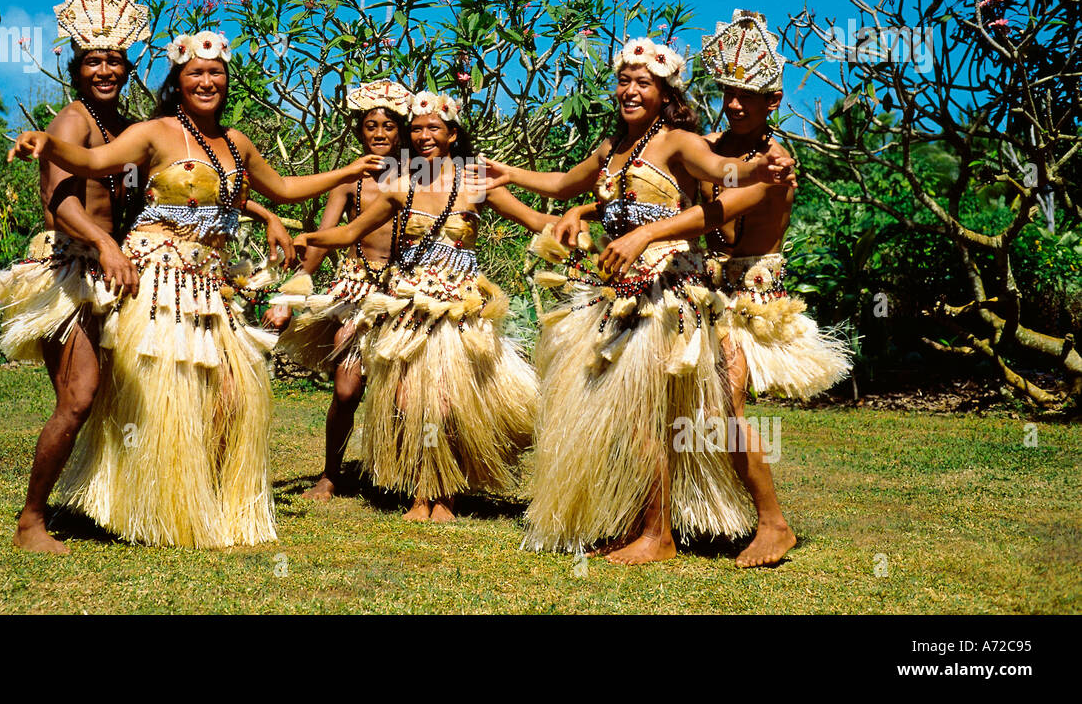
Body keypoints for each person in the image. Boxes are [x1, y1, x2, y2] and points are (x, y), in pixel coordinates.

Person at [7, 30, 382, 547]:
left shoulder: (234, 142)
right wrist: (46, 142)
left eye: (216, 73)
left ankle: (197, 504)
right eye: (195, 74)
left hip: (206, 285)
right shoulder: (153, 131)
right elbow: (92, 164)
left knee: (230, 396)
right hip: (155, 279)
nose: (207, 81)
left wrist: (344, 172)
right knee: (121, 400)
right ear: (177, 83)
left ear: (227, 81)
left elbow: (285, 187)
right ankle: (39, 518)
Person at [0, 0, 294, 554]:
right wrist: (104, 246)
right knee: (79, 397)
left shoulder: (130, 127)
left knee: (155, 390)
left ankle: (141, 501)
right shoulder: (72, 122)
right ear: (77, 67)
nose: (104, 71)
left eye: (114, 60)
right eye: (92, 62)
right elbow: (59, 202)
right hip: (76, 269)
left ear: (130, 66)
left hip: (128, 269)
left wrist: (263, 212)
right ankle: (32, 519)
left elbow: (196, 188)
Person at [475, 37, 794, 563]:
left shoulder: (680, 141)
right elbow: (563, 184)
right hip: (623, 292)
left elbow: (722, 176)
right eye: (624, 80)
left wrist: (760, 172)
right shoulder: (611, 149)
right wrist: (511, 177)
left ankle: (707, 529)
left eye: (643, 83)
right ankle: (649, 526)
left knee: (710, 413)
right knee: (633, 413)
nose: (629, 90)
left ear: (665, 92)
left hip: (673, 292)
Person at [583, 9, 849, 567]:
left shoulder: (773, 163)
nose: (734, 103)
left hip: (748, 298)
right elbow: (658, 191)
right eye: (729, 92)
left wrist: (654, 233)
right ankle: (653, 524)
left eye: (748, 96)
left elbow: (714, 210)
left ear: (772, 103)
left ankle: (773, 524)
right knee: (661, 407)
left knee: (724, 410)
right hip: (698, 285)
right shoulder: (708, 145)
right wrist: (588, 207)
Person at [297, 91, 553, 522]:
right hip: (409, 306)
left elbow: (536, 221)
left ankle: (446, 493)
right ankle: (420, 490)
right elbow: (348, 234)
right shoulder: (400, 186)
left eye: (433, 128)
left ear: (452, 134)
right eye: (416, 129)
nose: (422, 136)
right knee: (407, 397)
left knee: (449, 401)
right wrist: (303, 240)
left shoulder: (475, 184)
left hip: (459, 308)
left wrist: (592, 218)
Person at [266, 81, 412, 501]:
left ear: (401, 130)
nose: (380, 133)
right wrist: (290, 296)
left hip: (404, 289)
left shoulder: (418, 178)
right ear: (359, 132)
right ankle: (331, 474)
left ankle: (398, 474)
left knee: (401, 392)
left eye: (388, 125)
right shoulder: (351, 181)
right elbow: (326, 236)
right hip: (355, 289)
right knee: (347, 390)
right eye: (371, 126)